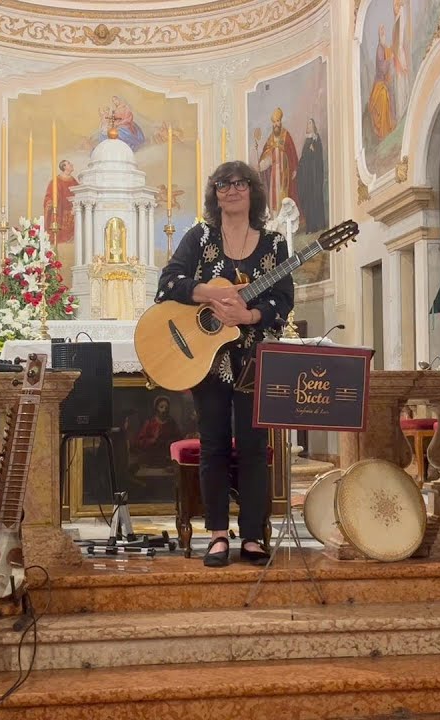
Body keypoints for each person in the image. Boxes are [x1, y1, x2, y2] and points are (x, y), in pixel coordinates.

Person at [155, 161, 295, 567]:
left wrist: (248, 317)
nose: (231, 191)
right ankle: (217, 534)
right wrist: (206, 295)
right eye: (222, 185)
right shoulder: (199, 238)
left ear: (252, 191)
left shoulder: (273, 245)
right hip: (207, 357)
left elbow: (283, 300)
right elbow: (167, 283)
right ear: (214, 194)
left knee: (253, 446)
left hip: (254, 359)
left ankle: (252, 535)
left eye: (239, 184)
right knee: (214, 445)